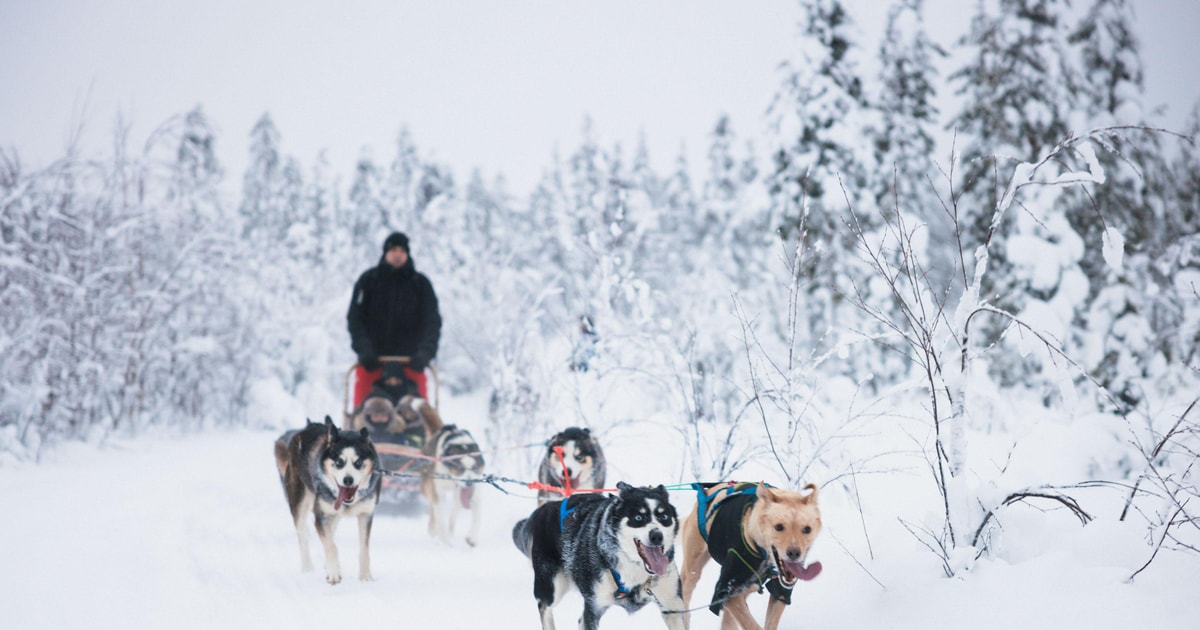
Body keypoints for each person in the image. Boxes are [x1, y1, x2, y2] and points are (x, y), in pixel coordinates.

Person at [348, 231, 441, 407]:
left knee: (421, 416)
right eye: (393, 250)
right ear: (385, 253)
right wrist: (364, 350)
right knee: (362, 412)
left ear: (407, 254)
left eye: (402, 251)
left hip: (412, 363)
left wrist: (425, 353)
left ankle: (423, 434)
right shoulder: (368, 281)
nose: (397, 254)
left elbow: (432, 321)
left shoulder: (420, 285)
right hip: (373, 362)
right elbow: (355, 319)